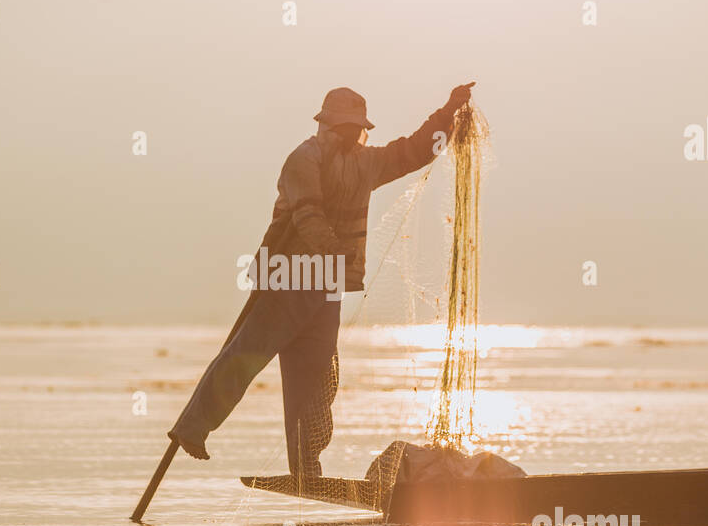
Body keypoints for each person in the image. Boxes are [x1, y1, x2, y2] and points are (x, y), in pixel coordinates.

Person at [169, 82, 477, 477]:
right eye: (344, 129)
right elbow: (308, 214)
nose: (351, 136)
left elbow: (414, 150)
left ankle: (306, 463)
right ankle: (192, 429)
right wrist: (333, 250)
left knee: (318, 379)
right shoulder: (304, 159)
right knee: (246, 357)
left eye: (356, 129)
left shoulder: (366, 162)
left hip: (326, 284)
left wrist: (448, 112)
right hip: (286, 276)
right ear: (328, 126)